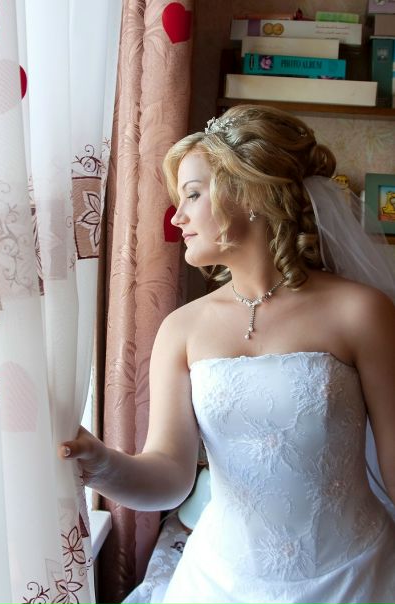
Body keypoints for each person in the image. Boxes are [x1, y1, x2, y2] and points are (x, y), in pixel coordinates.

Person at [60, 105, 395, 604]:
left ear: (251, 193)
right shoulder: (182, 329)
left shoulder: (360, 312)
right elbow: (170, 476)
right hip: (220, 581)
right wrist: (101, 464)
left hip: (354, 576)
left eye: (193, 194)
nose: (177, 217)